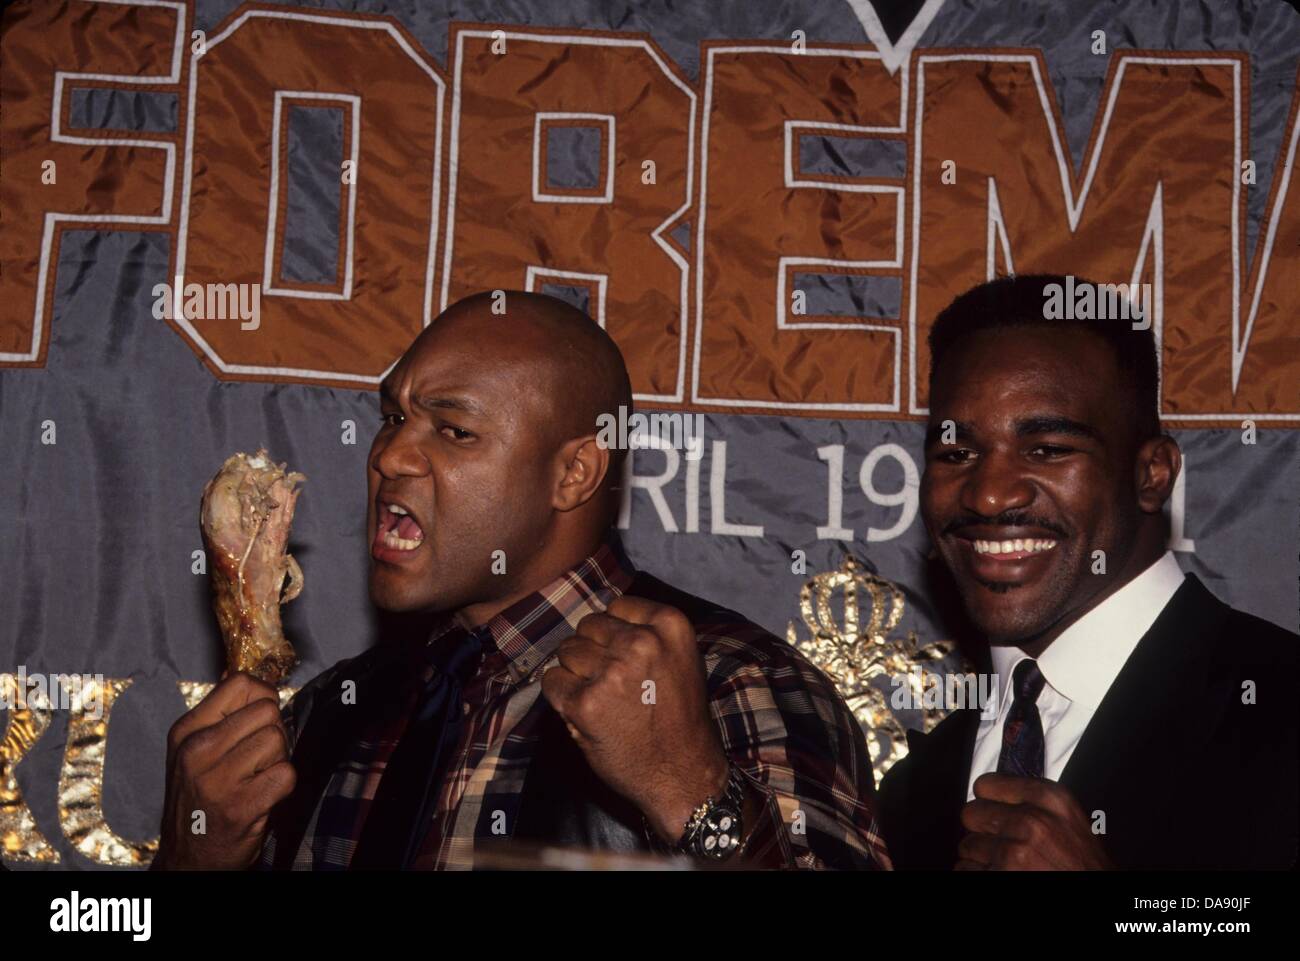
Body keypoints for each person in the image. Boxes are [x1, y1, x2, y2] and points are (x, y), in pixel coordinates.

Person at [152, 291, 889, 871]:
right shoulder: (327, 713)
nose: (389, 456)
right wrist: (192, 860)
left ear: (573, 472)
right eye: (391, 416)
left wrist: (691, 789)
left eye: (453, 430)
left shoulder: (731, 678)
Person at [879, 274, 1298, 870]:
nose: (990, 495)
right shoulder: (910, 792)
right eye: (956, 454)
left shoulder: (1280, 711)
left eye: (1048, 448)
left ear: (1152, 475)